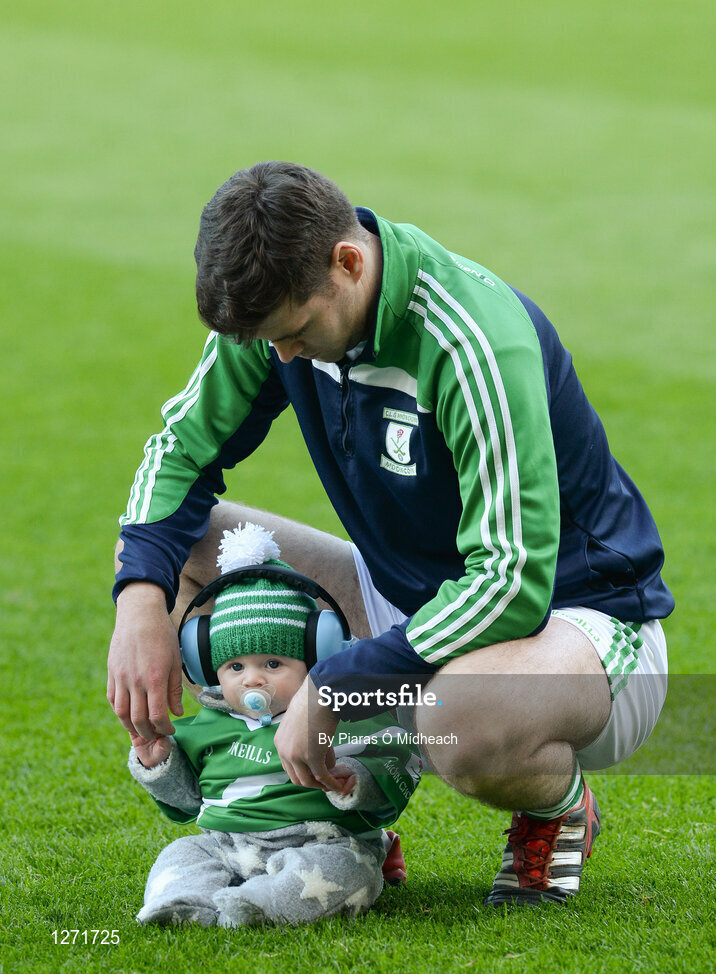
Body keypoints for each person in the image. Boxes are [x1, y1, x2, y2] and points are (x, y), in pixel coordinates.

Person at [108, 160, 674, 908]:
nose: (283, 357)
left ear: (349, 262)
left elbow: (510, 581)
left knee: (457, 719)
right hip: (412, 603)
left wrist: (338, 683)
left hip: (576, 625)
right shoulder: (282, 309)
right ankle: (313, 814)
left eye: (296, 333)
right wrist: (138, 602)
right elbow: (178, 454)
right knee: (174, 548)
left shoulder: (471, 341)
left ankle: (557, 809)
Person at [127, 522, 420, 926]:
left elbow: (394, 755)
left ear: (317, 655)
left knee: (344, 870)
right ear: (206, 666)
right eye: (235, 667)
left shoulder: (340, 715)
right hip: (228, 844)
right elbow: (186, 801)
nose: (252, 679)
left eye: (272, 663)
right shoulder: (206, 727)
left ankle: (261, 905)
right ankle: (183, 902)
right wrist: (158, 763)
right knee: (182, 854)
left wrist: (355, 779)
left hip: (324, 840)